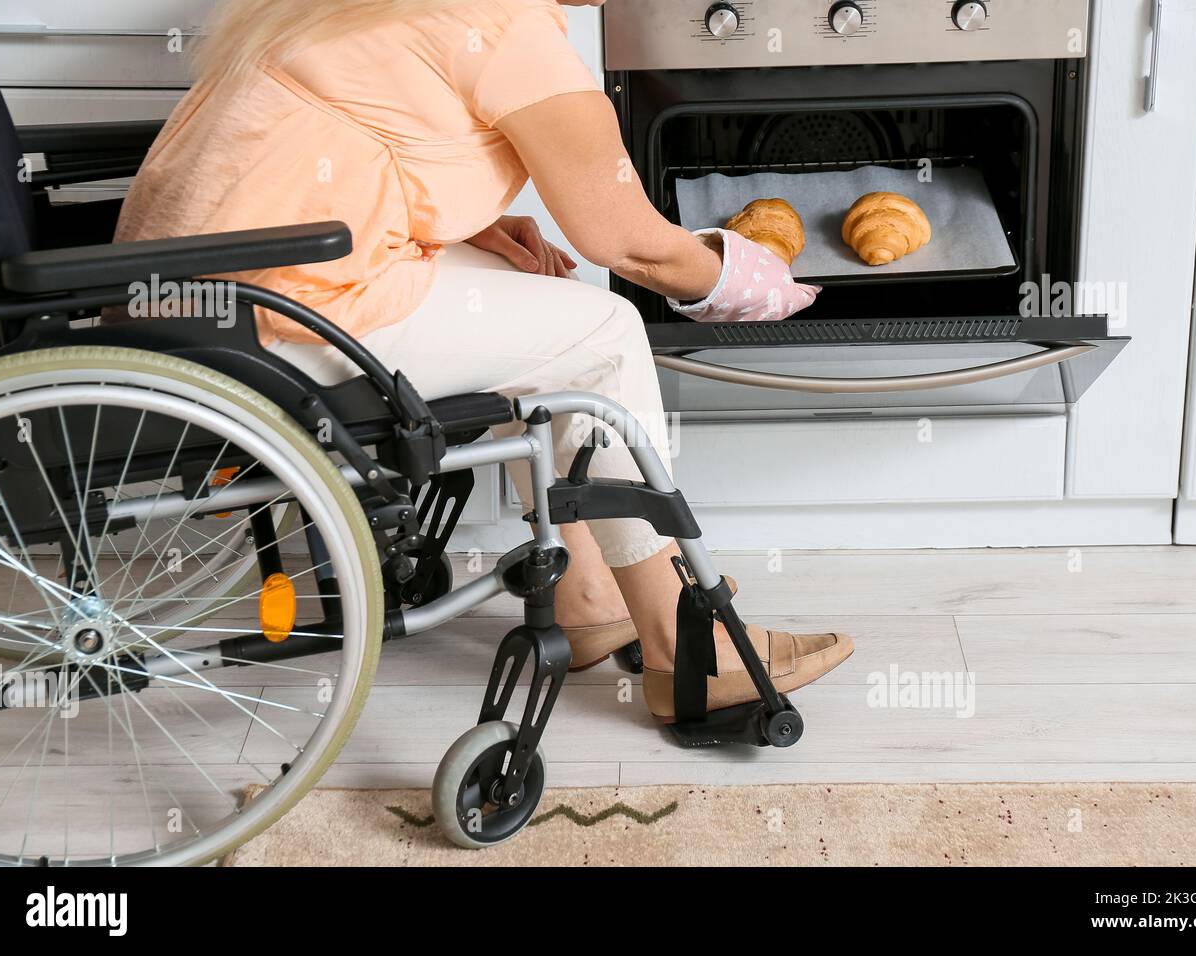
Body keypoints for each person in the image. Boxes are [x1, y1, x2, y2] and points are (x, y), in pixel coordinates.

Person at [114, 0, 853, 719]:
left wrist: (473, 222)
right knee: (605, 331)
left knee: (524, 285)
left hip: (188, 302)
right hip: (278, 325)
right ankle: (682, 644)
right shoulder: (508, 30)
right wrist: (745, 283)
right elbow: (625, 239)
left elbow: (329, 136)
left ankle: (587, 596)